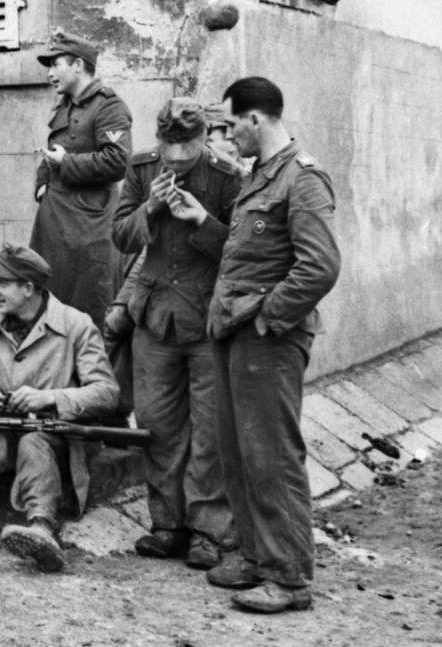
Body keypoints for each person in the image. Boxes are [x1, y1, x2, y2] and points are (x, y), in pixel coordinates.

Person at [204, 77, 340, 613]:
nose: (225, 132)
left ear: (254, 120)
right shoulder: (260, 176)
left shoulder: (303, 179)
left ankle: (289, 578)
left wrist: (268, 318)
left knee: (272, 455)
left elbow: (320, 267)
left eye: (228, 122)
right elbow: (247, 255)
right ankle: (257, 557)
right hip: (234, 331)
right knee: (237, 451)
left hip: (268, 338)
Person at [0, 244, 119, 573]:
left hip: (53, 436)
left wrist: (50, 398)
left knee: (34, 439)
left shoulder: (76, 325)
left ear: (28, 289)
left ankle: (41, 529)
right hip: (1, 434)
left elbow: (107, 393)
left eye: (3, 283)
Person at [110, 97, 242, 569]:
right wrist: (150, 208)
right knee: (157, 425)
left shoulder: (228, 178)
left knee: (209, 431)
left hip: (208, 320)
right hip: (155, 319)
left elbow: (244, 251)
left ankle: (208, 531)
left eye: (187, 149)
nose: (177, 159)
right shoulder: (142, 168)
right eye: (170, 149)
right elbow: (120, 237)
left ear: (205, 139)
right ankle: (167, 524)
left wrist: (201, 221)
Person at [30, 31, 132, 327]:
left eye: (55, 65)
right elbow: (52, 148)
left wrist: (66, 162)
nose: (50, 74)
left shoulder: (109, 107)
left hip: (89, 226)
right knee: (49, 302)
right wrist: (41, 185)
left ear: (77, 64)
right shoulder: (65, 105)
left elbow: (118, 162)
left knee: (89, 304)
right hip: (55, 222)